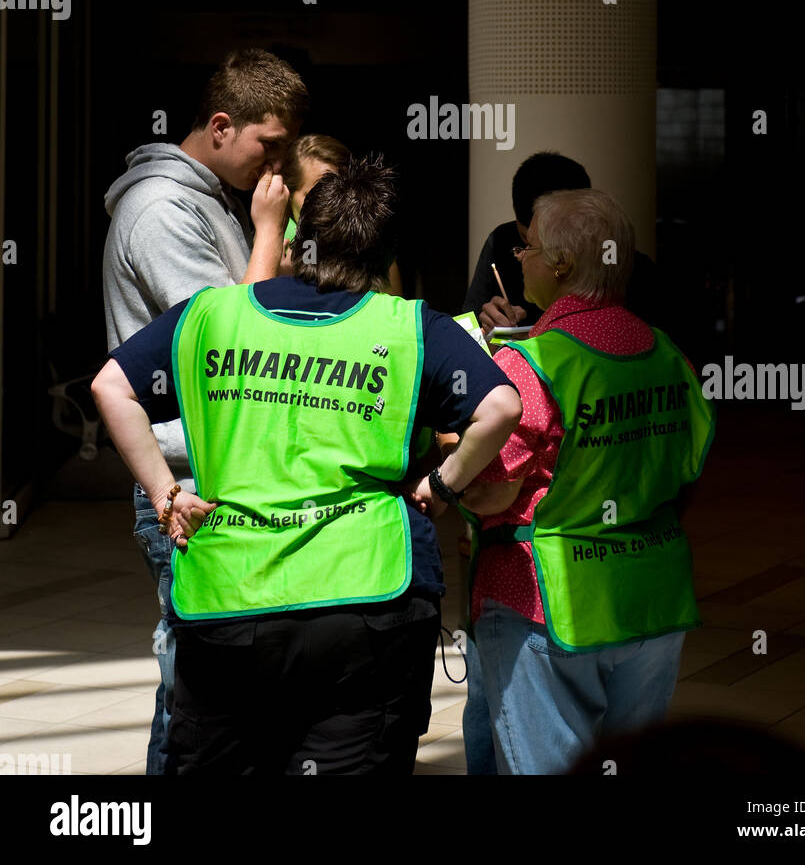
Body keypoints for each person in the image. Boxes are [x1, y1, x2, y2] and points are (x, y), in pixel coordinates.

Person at [92, 155, 522, 775]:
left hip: (229, 602)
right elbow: (501, 406)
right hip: (369, 601)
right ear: (384, 257)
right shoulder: (409, 327)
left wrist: (164, 492)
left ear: (299, 241)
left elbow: (111, 387)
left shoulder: (213, 314)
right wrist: (442, 485)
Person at [102, 48, 308, 775]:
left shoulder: (212, 196)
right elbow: (234, 344)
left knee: (216, 691)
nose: (277, 166)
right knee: (195, 692)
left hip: (222, 473)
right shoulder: (161, 209)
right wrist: (267, 233)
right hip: (188, 484)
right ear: (221, 125)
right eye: (269, 145)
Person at [461, 188, 715, 776]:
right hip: (652, 596)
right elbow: (686, 475)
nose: (517, 257)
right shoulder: (670, 357)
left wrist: (450, 467)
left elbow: (491, 489)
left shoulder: (532, 364)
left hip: (543, 603)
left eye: (526, 248)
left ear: (561, 265)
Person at [463, 150, 660, 334]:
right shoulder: (501, 240)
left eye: (531, 245)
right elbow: (465, 326)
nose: (521, 254)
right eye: (524, 240)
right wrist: (486, 333)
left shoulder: (626, 267)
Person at [282, 133, 403, 294]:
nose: (335, 204)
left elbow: (391, 304)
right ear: (289, 194)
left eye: (342, 191)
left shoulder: (370, 237)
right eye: (315, 193)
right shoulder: (295, 240)